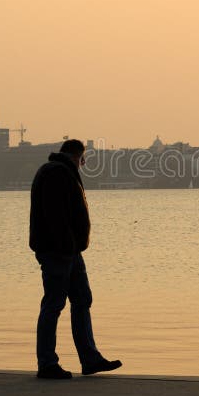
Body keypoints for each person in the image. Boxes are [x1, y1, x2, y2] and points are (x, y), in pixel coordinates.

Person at [29, 139, 122, 379]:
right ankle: (47, 363)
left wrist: (73, 246)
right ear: (77, 156)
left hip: (69, 251)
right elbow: (55, 215)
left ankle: (90, 358)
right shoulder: (57, 173)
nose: (84, 163)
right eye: (83, 159)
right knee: (54, 303)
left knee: (82, 300)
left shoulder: (59, 171)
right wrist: (67, 245)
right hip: (58, 251)